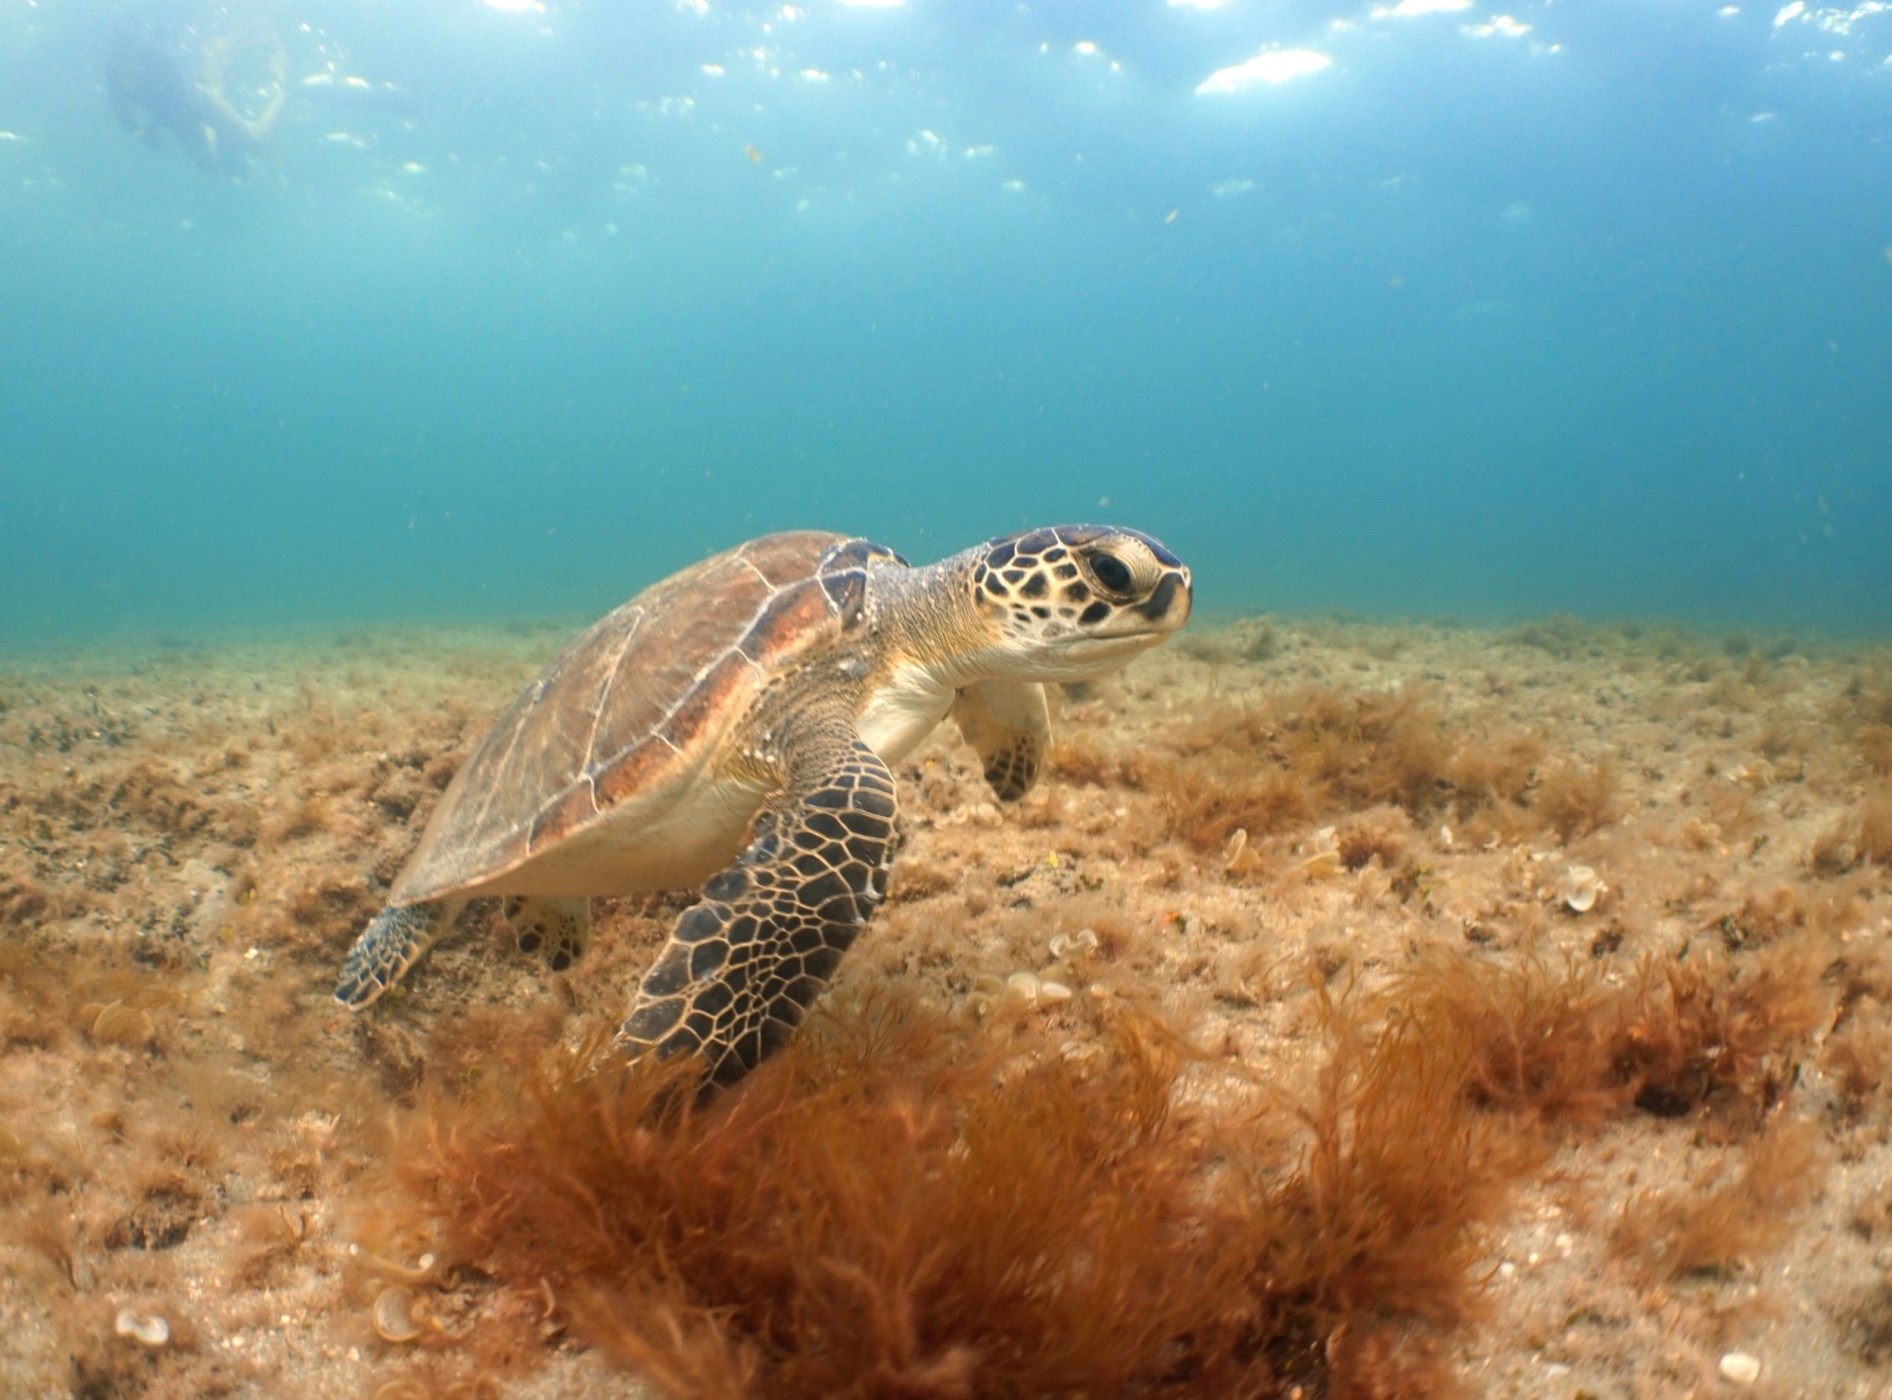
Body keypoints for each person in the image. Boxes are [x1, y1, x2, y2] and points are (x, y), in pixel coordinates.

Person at [107, 9, 285, 175]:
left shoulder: (153, 55)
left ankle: (283, 92)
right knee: (209, 165)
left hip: (200, 102)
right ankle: (220, 125)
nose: (131, 54)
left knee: (255, 142)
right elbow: (122, 115)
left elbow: (179, 94)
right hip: (179, 120)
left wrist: (154, 127)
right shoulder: (114, 76)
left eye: (132, 46)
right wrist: (145, 136)